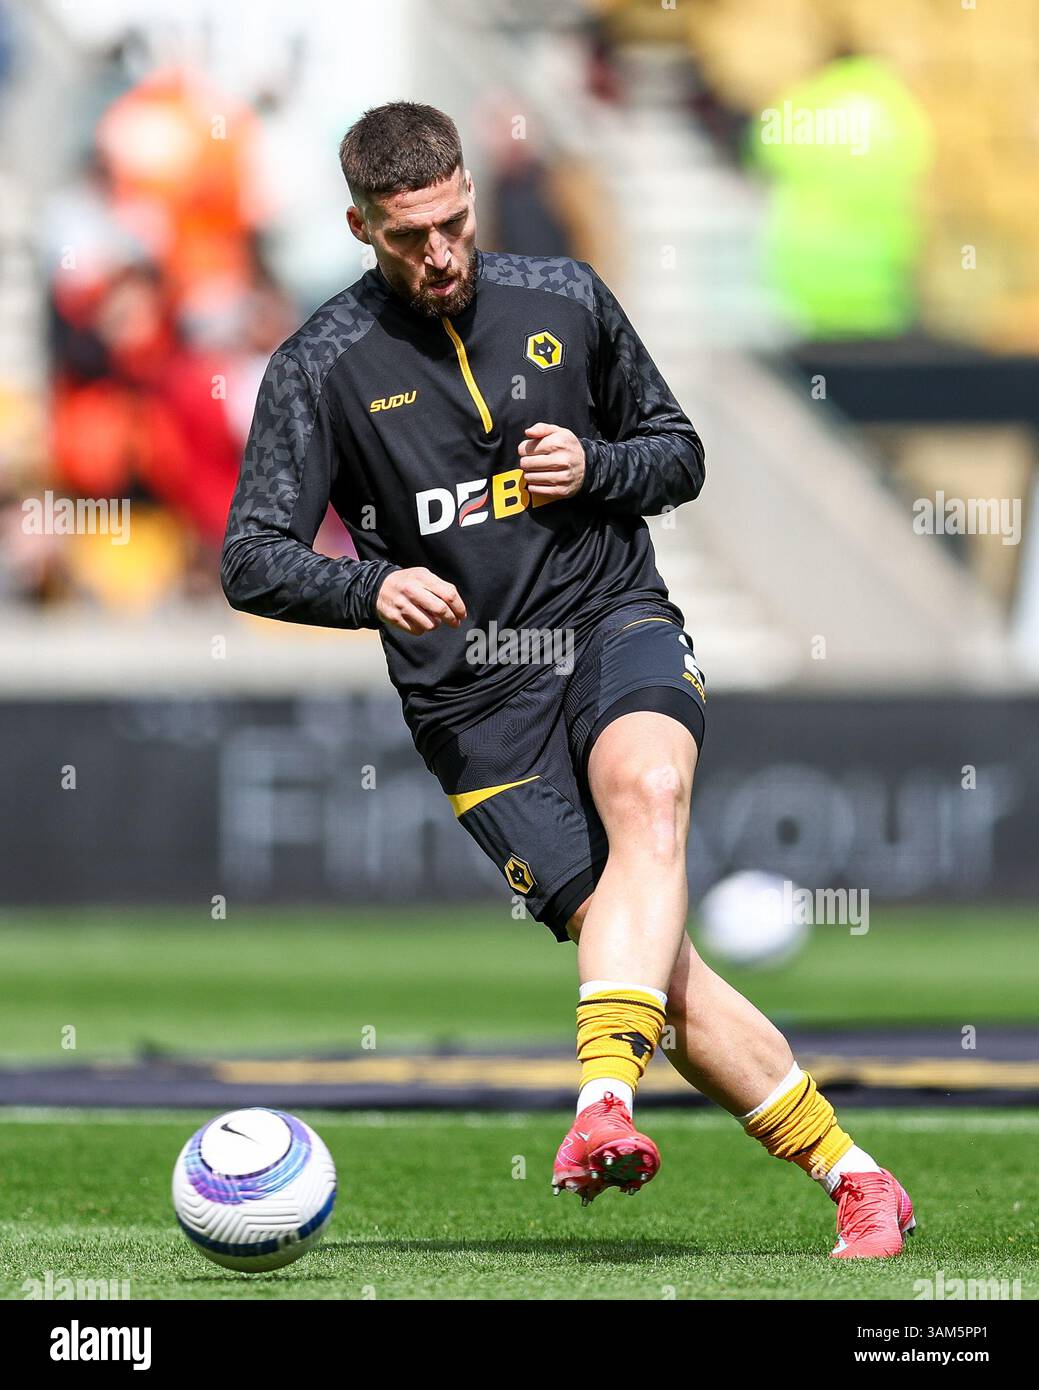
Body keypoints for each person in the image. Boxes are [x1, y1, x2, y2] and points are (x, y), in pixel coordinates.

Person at [222, 101, 913, 1258]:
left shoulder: (567, 299)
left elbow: (678, 453)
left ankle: (601, 1103)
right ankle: (858, 1176)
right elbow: (251, 554)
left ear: (470, 196)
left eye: (452, 222)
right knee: (643, 958)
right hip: (473, 707)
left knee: (650, 792)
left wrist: (597, 464)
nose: (439, 253)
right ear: (359, 227)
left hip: (608, 618)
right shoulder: (319, 369)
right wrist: (368, 587)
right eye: (408, 238)